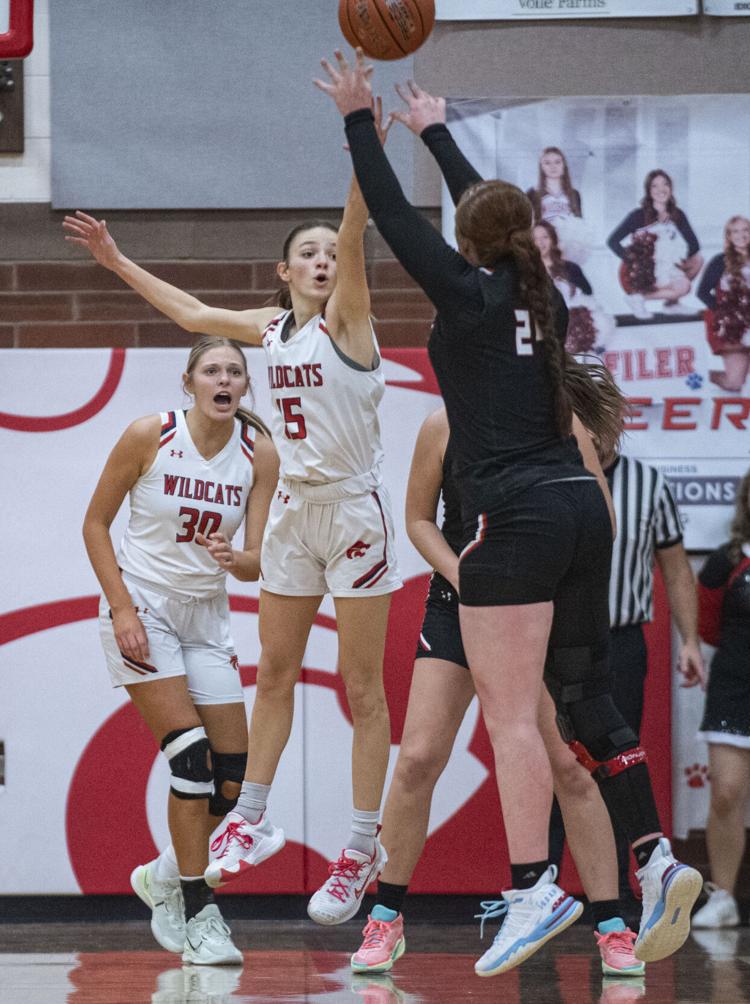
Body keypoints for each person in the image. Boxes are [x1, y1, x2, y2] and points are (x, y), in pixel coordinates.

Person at [316, 54, 702, 978]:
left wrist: (361, 120)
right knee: (581, 702)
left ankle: (535, 887)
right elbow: (495, 217)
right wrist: (438, 133)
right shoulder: (544, 294)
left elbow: (396, 219)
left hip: (515, 526)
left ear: (469, 243)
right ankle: (653, 857)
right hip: (581, 516)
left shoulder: (471, 295)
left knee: (514, 723)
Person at [65, 119, 402, 928]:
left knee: (362, 686)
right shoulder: (270, 330)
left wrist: (363, 143)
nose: (324, 260)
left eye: (330, 253)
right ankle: (248, 814)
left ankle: (361, 847)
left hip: (352, 514)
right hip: (293, 514)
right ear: (284, 272)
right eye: (308, 253)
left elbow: (357, 232)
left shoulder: (349, 322)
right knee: (275, 675)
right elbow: (191, 314)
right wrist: (116, 262)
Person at [350, 405, 645, 980]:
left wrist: (551, 588)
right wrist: (466, 575)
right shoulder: (442, 424)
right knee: (417, 758)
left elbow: (601, 521)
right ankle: (384, 916)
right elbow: (418, 520)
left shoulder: (561, 422)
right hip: (459, 600)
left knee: (570, 765)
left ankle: (612, 924)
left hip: (536, 606)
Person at [81, 336, 278, 965]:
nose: (223, 380)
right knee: (190, 760)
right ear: (189, 381)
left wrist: (234, 558)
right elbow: (94, 524)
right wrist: (122, 608)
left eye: (234, 372)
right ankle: (198, 913)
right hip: (144, 608)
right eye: (211, 370)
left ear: (244, 386)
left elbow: (255, 563)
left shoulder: (259, 453)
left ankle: (161, 875)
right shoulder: (152, 435)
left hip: (206, 618)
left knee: (231, 779)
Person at [549, 445, 705, 917]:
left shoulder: (649, 483)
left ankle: (620, 892)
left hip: (617, 643)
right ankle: (541, 890)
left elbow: (676, 568)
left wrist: (690, 640)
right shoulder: (549, 471)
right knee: (552, 763)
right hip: (552, 641)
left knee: (616, 766)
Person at [692, 468, 750, 929]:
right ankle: (724, 896)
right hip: (734, 689)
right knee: (726, 793)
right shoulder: (724, 563)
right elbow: (706, 627)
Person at [607, 169, 703, 320]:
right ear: (648, 190)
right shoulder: (638, 215)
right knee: (679, 282)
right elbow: (612, 241)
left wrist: (678, 262)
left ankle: (671, 304)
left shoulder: (677, 214)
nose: (661, 189)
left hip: (667, 268)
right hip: (643, 271)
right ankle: (636, 297)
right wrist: (633, 259)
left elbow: (694, 245)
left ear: (670, 188)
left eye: (665, 184)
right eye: (655, 186)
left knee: (695, 265)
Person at [533, 220, 614, 354]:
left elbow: (589, 296)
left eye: (545, 237)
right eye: (535, 239)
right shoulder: (525, 271)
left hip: (570, 335)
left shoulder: (570, 268)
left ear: (553, 239)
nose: (540, 243)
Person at [697, 215, 750, 393]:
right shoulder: (720, 261)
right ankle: (698, 375)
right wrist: (727, 313)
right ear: (729, 236)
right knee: (734, 383)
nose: (741, 235)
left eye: (745, 230)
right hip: (733, 328)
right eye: (735, 231)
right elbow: (702, 292)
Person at [526, 147, 589, 266]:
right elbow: (529, 225)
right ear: (541, 167)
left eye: (557, 162)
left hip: (567, 248)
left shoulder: (574, 194)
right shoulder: (533, 193)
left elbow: (579, 223)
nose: (553, 167)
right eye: (547, 163)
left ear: (564, 165)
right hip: (543, 247)